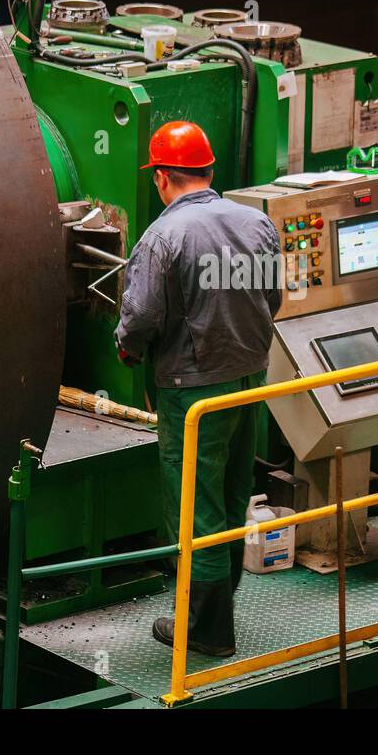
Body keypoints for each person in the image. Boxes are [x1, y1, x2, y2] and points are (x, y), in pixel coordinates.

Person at [114, 120, 281, 657]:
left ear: (161, 178)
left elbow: (140, 315)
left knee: (195, 509)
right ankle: (218, 605)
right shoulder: (257, 223)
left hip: (193, 394)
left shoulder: (164, 237)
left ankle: (206, 631)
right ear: (209, 171)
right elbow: (272, 298)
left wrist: (128, 347)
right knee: (233, 496)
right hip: (250, 382)